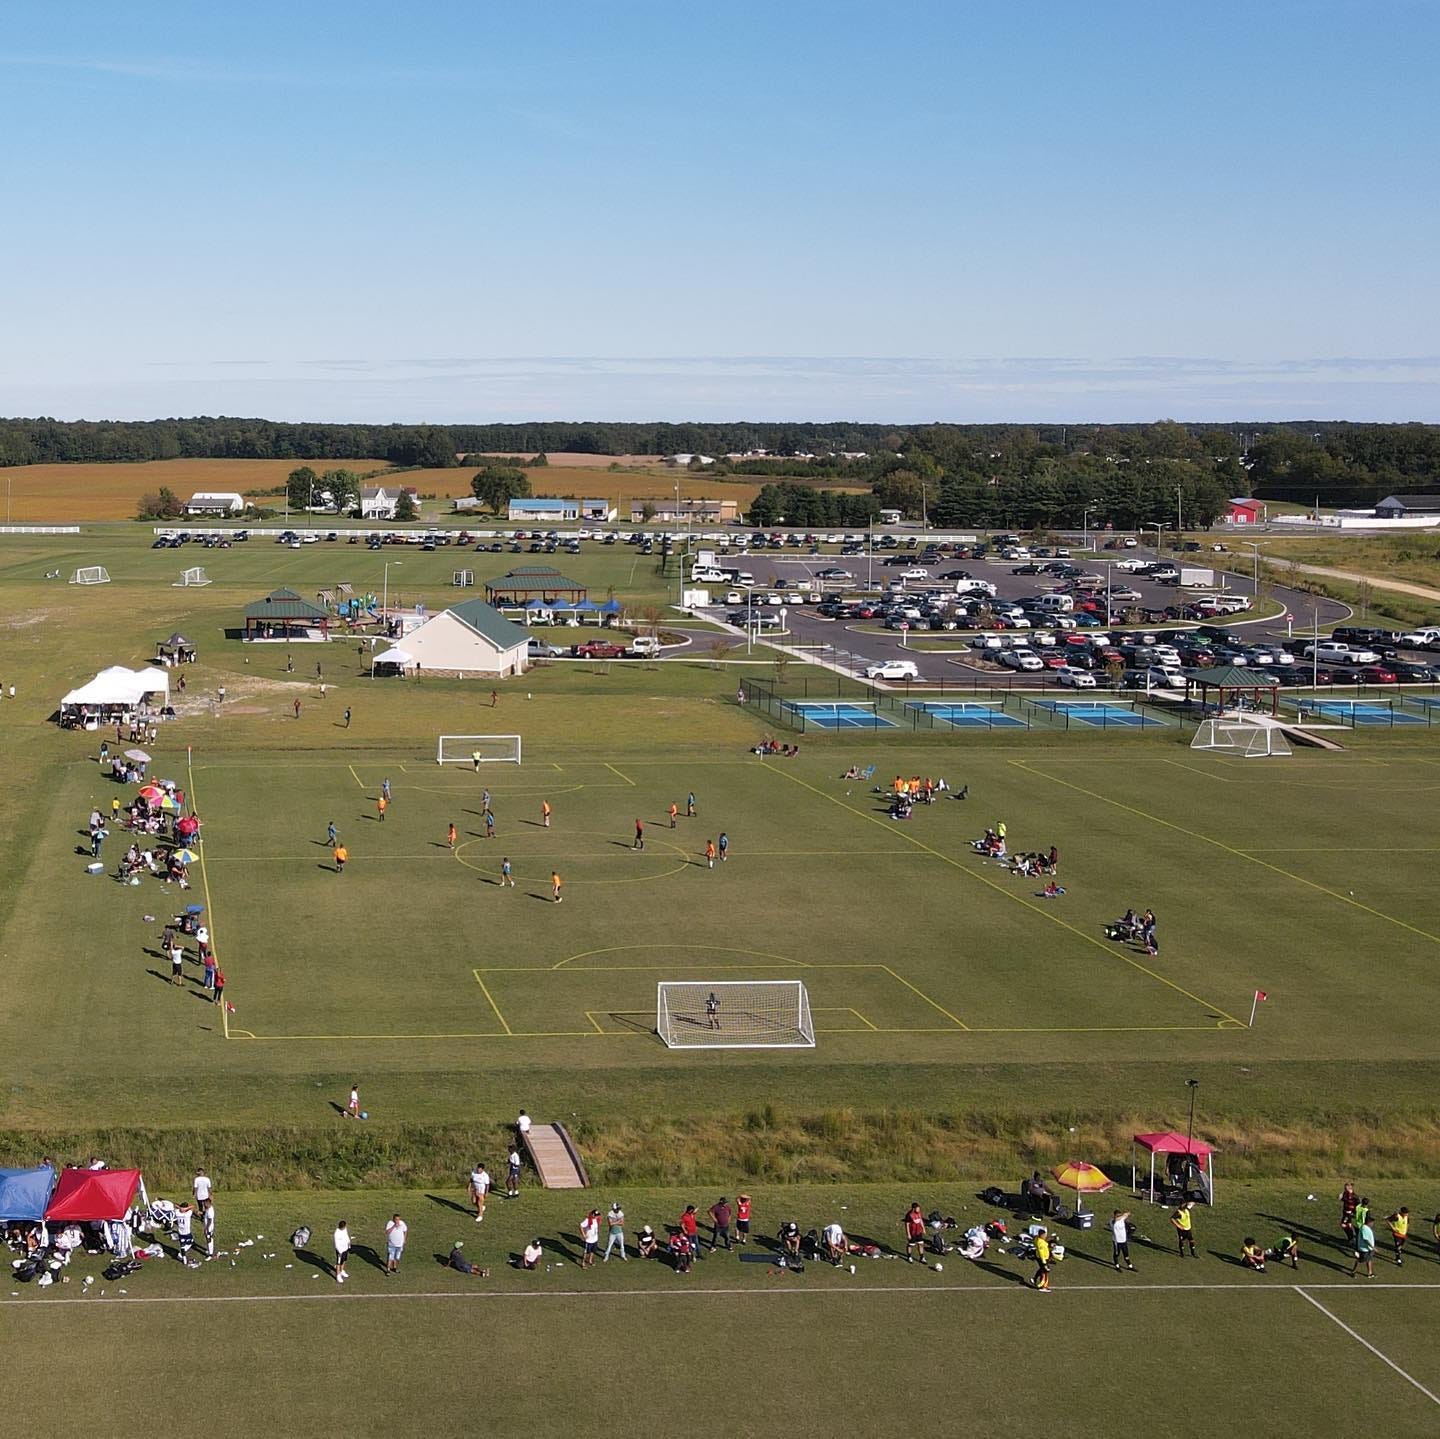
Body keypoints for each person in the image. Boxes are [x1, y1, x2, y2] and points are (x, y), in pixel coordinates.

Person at [1032, 1226, 1052, 1291]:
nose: (1045, 1236)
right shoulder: (1040, 1243)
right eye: (1044, 1235)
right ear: (1041, 1235)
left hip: (1042, 1258)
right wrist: (1044, 1262)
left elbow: (1045, 1243)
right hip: (1043, 1259)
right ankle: (1043, 1287)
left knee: (1042, 1270)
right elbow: (1041, 1253)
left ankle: (1035, 1279)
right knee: (1045, 1271)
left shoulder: (1038, 1239)